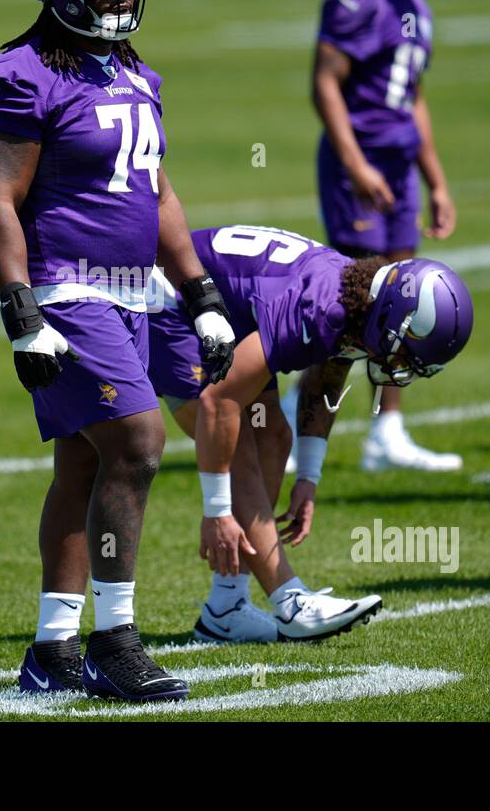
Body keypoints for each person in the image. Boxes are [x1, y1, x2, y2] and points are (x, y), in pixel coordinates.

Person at [0, 0, 236, 701]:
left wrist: (203, 294)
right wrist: (23, 316)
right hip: (65, 287)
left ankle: (50, 652)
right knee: (139, 443)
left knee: (83, 464)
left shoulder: (131, 70)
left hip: (129, 292)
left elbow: (158, 194)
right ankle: (113, 642)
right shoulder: (21, 76)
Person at [149, 225, 471, 642]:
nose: (403, 366)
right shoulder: (318, 307)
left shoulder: (361, 306)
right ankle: (290, 600)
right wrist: (217, 512)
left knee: (275, 436)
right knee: (241, 441)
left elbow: (327, 376)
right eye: (406, 353)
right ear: (392, 319)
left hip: (230, 307)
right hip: (173, 297)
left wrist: (309, 478)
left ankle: (225, 608)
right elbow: (217, 404)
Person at [312, 0, 464, 473]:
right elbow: (326, 82)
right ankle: (310, 437)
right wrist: (355, 163)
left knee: (405, 296)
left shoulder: (416, 8)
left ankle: (387, 431)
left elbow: (413, 98)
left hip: (399, 166)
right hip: (361, 166)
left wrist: (437, 179)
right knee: (350, 305)